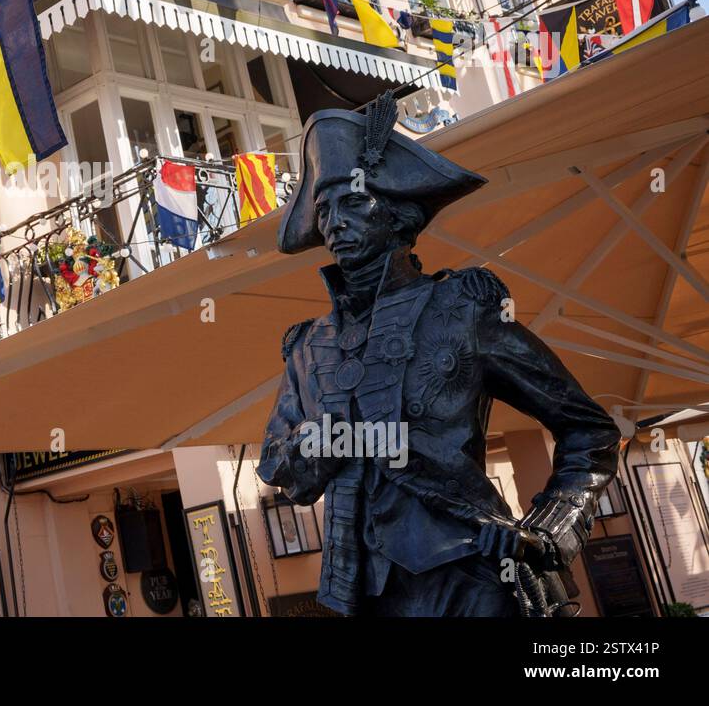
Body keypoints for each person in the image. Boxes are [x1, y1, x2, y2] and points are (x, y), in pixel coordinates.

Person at [256, 92, 620, 616]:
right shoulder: (310, 347)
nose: (335, 222)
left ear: (400, 216)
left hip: (469, 577)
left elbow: (589, 430)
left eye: (353, 202)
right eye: (324, 208)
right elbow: (280, 466)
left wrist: (549, 527)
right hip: (360, 591)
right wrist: (323, 440)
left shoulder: (461, 309)